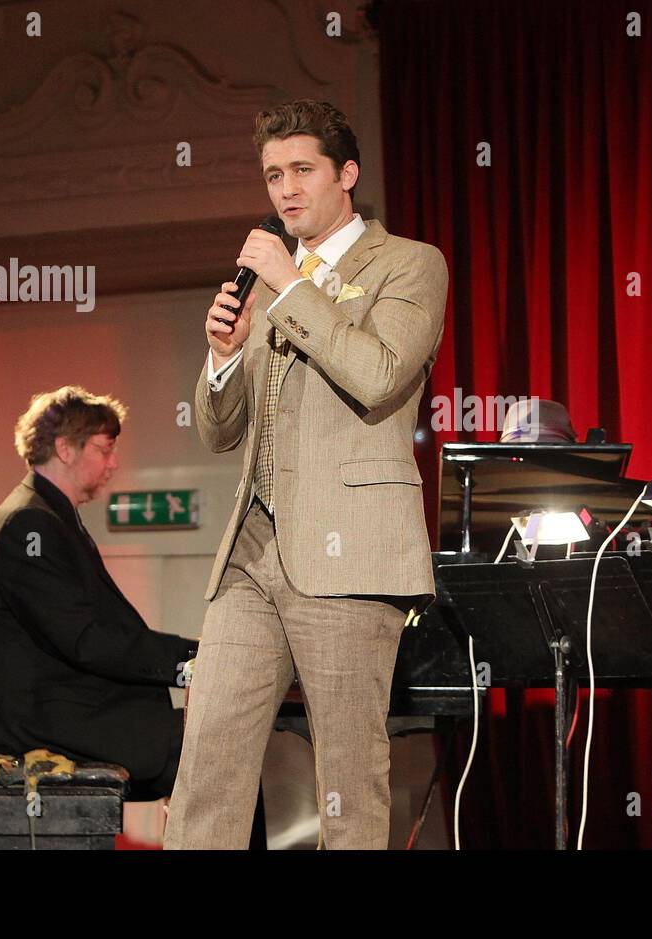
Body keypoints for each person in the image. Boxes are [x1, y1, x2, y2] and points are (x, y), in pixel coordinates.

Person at [163, 99, 448, 849]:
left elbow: (380, 373)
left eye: (301, 170)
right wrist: (223, 356)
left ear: (346, 174)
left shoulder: (408, 263)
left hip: (348, 553)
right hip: (252, 553)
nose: (285, 190)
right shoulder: (271, 286)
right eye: (272, 175)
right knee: (207, 765)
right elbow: (223, 432)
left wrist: (292, 286)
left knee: (348, 784)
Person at [0, 386, 198, 802]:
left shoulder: (48, 516)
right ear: (64, 448)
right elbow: (86, 640)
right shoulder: (29, 525)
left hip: (71, 712)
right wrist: (190, 662)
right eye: (105, 449)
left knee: (226, 744)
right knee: (225, 746)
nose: (113, 463)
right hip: (54, 722)